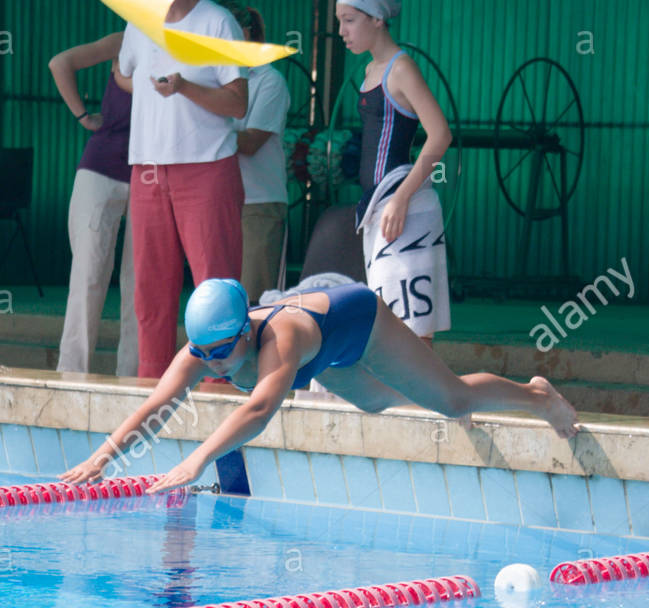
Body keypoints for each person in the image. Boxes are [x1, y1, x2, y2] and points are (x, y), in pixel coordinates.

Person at [61, 277, 578, 493]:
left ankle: (539, 396)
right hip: (320, 353)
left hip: (356, 322)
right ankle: (426, 390)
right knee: (376, 402)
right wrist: (104, 455)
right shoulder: (202, 349)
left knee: (451, 399)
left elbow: (261, 408)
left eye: (221, 353)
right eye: (202, 353)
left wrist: (195, 460)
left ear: (244, 332)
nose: (212, 364)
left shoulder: (279, 341)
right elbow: (157, 404)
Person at [116, 0, 249, 378]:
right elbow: (122, 73)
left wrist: (184, 88)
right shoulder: (137, 24)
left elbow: (239, 103)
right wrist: (149, 88)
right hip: (147, 168)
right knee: (151, 290)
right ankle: (153, 386)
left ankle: (219, 385)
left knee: (215, 289)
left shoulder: (217, 22)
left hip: (206, 168)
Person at [336, 0, 451, 343]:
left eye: (350, 20)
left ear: (377, 19)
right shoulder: (372, 69)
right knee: (389, 329)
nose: (342, 31)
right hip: (379, 208)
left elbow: (441, 134)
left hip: (405, 209)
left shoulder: (401, 69)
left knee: (414, 331)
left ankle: (425, 397)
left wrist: (401, 198)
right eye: (340, 21)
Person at [50, 32, 137, 376]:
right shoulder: (125, 39)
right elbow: (60, 63)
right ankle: (72, 374)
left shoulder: (181, 49)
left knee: (140, 283)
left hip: (151, 175)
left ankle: (135, 377)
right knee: (88, 275)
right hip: (102, 168)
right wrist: (84, 116)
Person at [234, 6, 291, 303]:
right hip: (222, 200)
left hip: (258, 204)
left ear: (244, 34)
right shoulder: (218, 80)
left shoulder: (270, 81)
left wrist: (202, 130)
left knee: (255, 301)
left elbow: (251, 141)